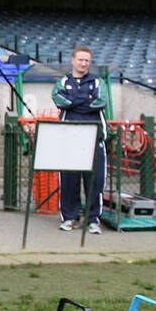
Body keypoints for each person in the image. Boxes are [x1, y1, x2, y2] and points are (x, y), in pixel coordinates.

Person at [53, 45, 107, 234]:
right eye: (80, 59)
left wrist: (74, 102)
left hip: (94, 139)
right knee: (69, 181)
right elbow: (60, 101)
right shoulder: (63, 81)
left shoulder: (98, 82)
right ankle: (70, 218)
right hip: (68, 139)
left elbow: (100, 102)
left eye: (87, 60)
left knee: (95, 180)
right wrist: (85, 100)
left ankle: (93, 219)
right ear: (73, 60)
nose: (83, 63)